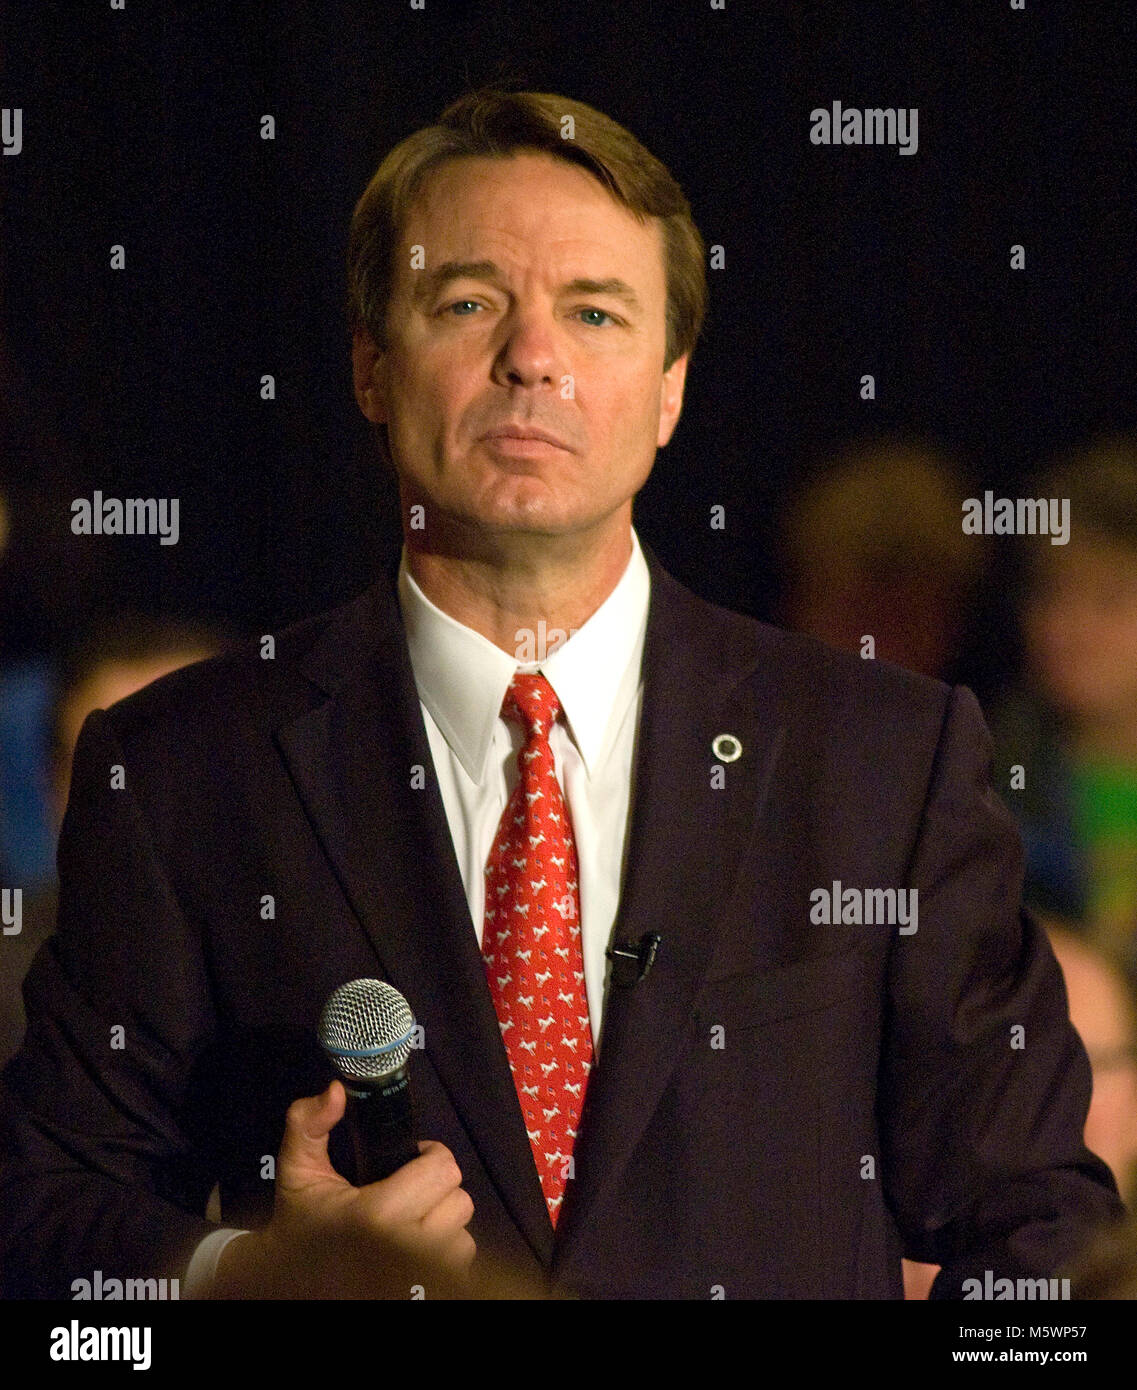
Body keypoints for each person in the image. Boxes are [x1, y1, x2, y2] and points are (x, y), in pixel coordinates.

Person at [0, 87, 1123, 1301]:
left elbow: (1039, 1234)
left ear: (670, 391)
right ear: (372, 367)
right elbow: (46, 1230)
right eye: (469, 302)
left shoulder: (881, 759)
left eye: (593, 312)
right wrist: (254, 1276)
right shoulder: (181, 771)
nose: (532, 356)